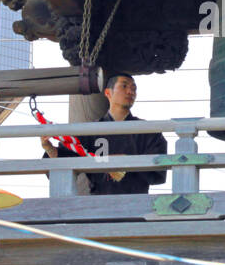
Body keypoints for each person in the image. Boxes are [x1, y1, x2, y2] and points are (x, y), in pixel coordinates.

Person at [40, 72, 168, 195]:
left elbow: (158, 173)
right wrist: (50, 149)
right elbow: (67, 159)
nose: (130, 92)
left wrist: (127, 161)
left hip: (137, 202)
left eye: (134, 88)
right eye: (124, 86)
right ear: (108, 93)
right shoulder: (90, 131)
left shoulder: (148, 131)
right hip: (99, 203)